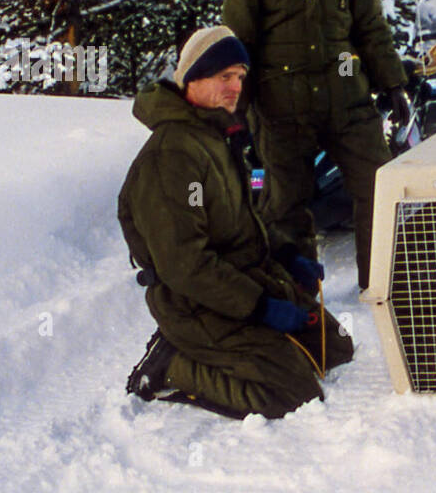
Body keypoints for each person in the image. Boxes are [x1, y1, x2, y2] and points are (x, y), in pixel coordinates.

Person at [119, 25, 353, 419]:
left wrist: (288, 255)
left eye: (240, 77)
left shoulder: (217, 137)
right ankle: (172, 365)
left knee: (336, 347)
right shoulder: (172, 156)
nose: (235, 87)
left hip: (241, 279)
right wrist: (261, 306)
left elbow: (246, 220)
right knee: (292, 393)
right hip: (195, 303)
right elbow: (185, 266)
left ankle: (234, 344)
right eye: (224, 76)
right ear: (193, 78)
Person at [222, 0, 410, 290]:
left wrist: (393, 84)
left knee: (380, 189)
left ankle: (381, 288)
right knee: (285, 208)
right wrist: (234, 114)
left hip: (348, 102)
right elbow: (240, 49)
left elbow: (371, 27)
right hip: (281, 111)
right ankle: (298, 300)